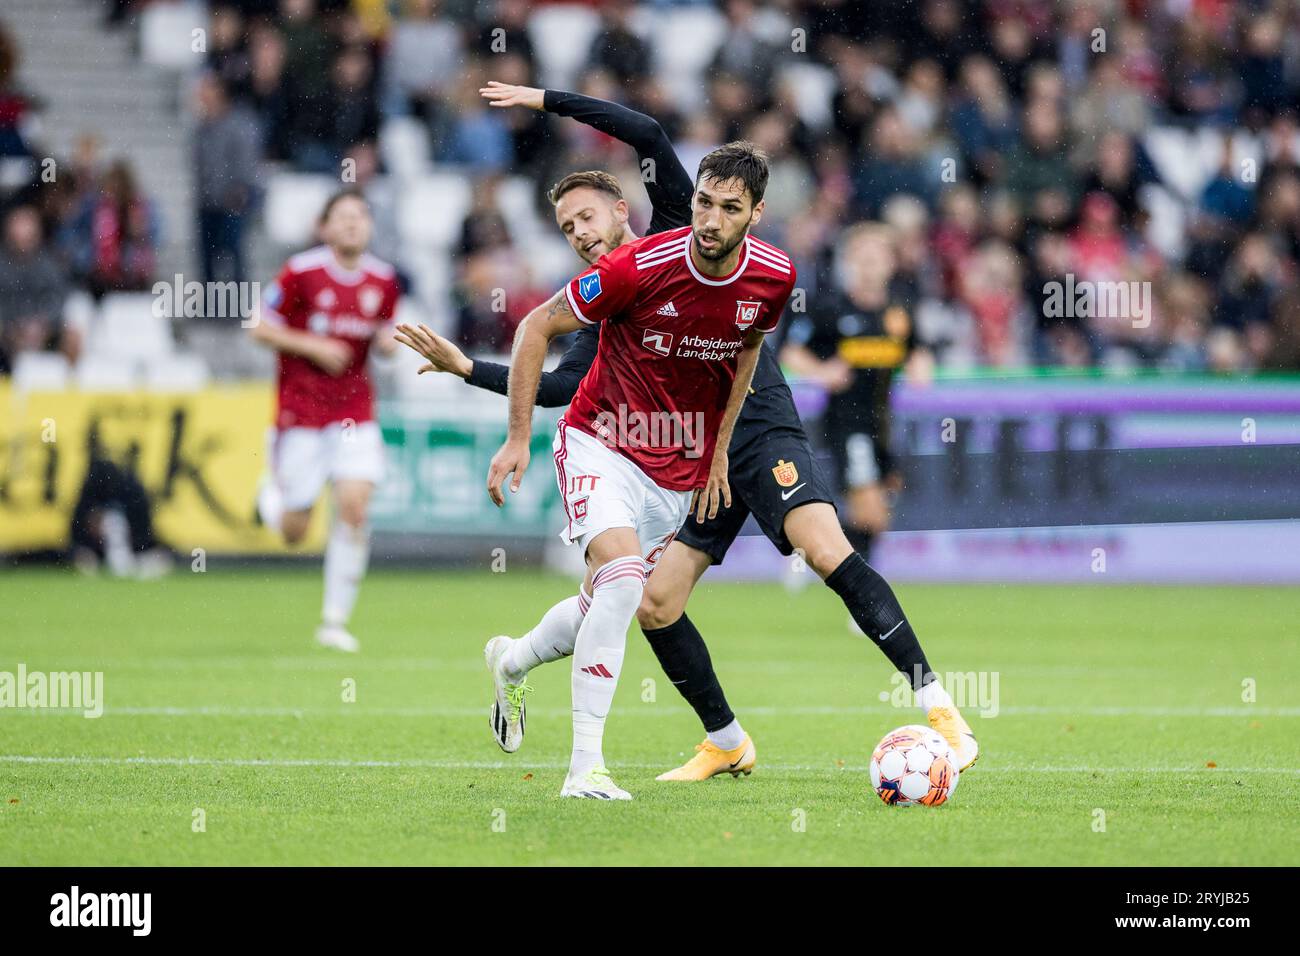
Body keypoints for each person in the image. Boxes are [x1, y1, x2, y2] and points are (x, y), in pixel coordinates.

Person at [397, 83, 977, 789]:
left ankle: (939, 705)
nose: (579, 234)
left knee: (824, 548)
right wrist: (467, 369)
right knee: (650, 601)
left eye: (587, 217)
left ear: (623, 209)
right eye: (567, 228)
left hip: (751, 429)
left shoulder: (685, 223)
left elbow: (644, 130)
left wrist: (542, 99)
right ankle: (724, 741)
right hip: (684, 455)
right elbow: (555, 385)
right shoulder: (616, 298)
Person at [483, 140, 793, 801]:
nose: (710, 219)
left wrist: (717, 451)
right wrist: (516, 438)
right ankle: (584, 769)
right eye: (702, 202)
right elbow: (536, 327)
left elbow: (747, 353)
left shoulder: (772, 276)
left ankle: (511, 659)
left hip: (675, 470)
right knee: (624, 579)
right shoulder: (636, 268)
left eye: (728, 208)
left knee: (608, 600)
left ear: (756, 213)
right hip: (599, 442)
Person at [250, 189, 400, 652]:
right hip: (302, 412)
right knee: (296, 531)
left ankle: (334, 621)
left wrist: (390, 343)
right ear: (325, 227)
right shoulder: (301, 272)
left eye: (361, 216)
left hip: (355, 411)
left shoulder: (385, 279)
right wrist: (314, 346)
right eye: (344, 217)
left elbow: (385, 332)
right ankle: (270, 502)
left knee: (354, 507)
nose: (353, 224)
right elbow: (258, 327)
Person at [781, 223, 929, 563]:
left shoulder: (898, 313)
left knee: (881, 507)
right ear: (848, 263)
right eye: (861, 259)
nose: (868, 267)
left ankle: (810, 547)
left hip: (885, 424)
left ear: (891, 264)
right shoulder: (831, 308)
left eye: (876, 259)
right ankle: (861, 596)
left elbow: (916, 349)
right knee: (870, 508)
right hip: (847, 422)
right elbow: (790, 351)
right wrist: (822, 372)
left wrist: (921, 366)